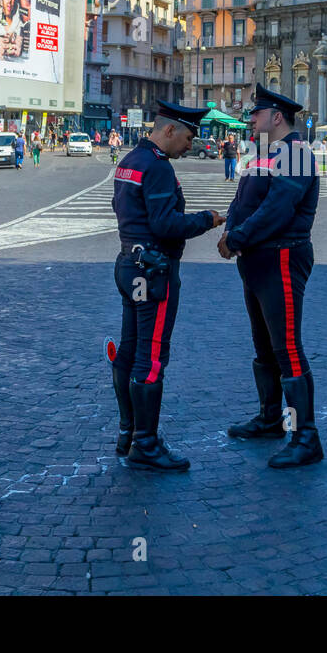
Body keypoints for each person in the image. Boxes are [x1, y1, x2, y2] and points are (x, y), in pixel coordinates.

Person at [111, 100, 225, 472]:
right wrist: (206, 219)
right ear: (170, 130)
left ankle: (128, 433)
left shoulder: (130, 160)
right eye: (189, 136)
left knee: (128, 351)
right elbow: (165, 225)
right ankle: (145, 444)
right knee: (152, 357)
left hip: (129, 265)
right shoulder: (157, 168)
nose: (191, 144)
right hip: (154, 271)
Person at [220, 83, 323, 469]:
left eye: (255, 114)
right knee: (264, 345)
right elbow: (242, 199)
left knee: (287, 348)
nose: (250, 120)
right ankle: (269, 418)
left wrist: (237, 237)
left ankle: (306, 436)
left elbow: (276, 211)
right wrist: (232, 230)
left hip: (281, 257)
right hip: (257, 259)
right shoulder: (264, 152)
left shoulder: (296, 153)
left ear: (276, 117)